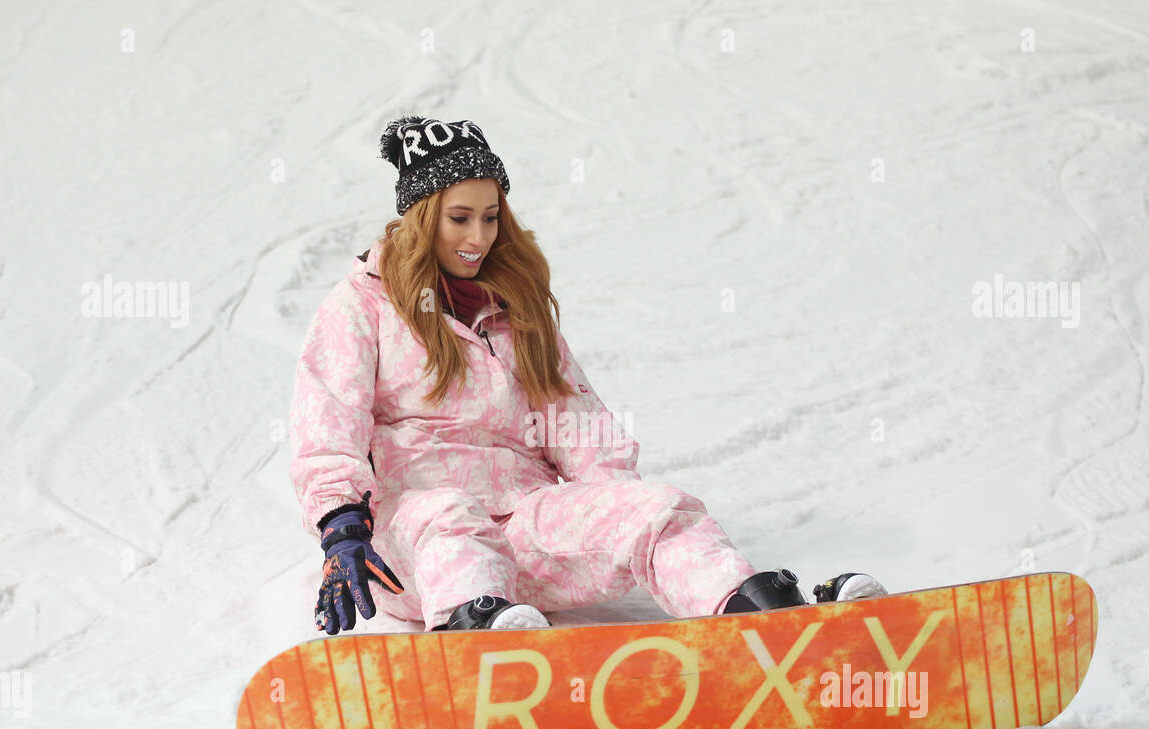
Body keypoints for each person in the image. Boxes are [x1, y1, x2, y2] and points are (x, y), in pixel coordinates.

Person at [289, 115, 887, 634]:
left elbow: (577, 426)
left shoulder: (512, 310)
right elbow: (327, 425)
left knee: (660, 506)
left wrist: (620, 508)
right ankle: (474, 634)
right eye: (460, 218)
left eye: (491, 217)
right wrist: (341, 525)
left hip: (522, 525)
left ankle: (752, 616)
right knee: (451, 514)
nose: (479, 238)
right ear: (422, 218)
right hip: (408, 545)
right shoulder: (360, 306)